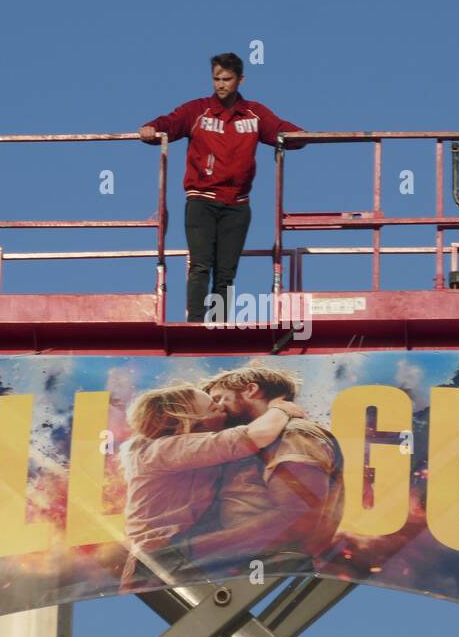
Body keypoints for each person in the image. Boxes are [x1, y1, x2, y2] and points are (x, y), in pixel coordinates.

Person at [139, 53, 304, 322]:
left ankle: (219, 324)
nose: (221, 84)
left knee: (226, 271)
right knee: (201, 264)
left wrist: (302, 137)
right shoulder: (198, 110)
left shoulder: (254, 114)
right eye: (216, 78)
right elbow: (170, 123)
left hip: (237, 205)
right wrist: (151, 129)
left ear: (240, 79)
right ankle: (195, 322)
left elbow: (282, 130)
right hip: (201, 200)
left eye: (227, 79)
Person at [118, 383, 306, 590]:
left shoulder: (187, 449)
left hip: (179, 549)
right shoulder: (162, 449)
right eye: (212, 406)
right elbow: (255, 436)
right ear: (183, 421)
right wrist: (281, 409)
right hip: (160, 556)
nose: (220, 406)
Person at [193, 366, 344, 570]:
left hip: (273, 571)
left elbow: (298, 517)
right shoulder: (254, 441)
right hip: (252, 568)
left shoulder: (293, 433)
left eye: (220, 398)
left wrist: (195, 550)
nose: (218, 408)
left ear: (251, 390)